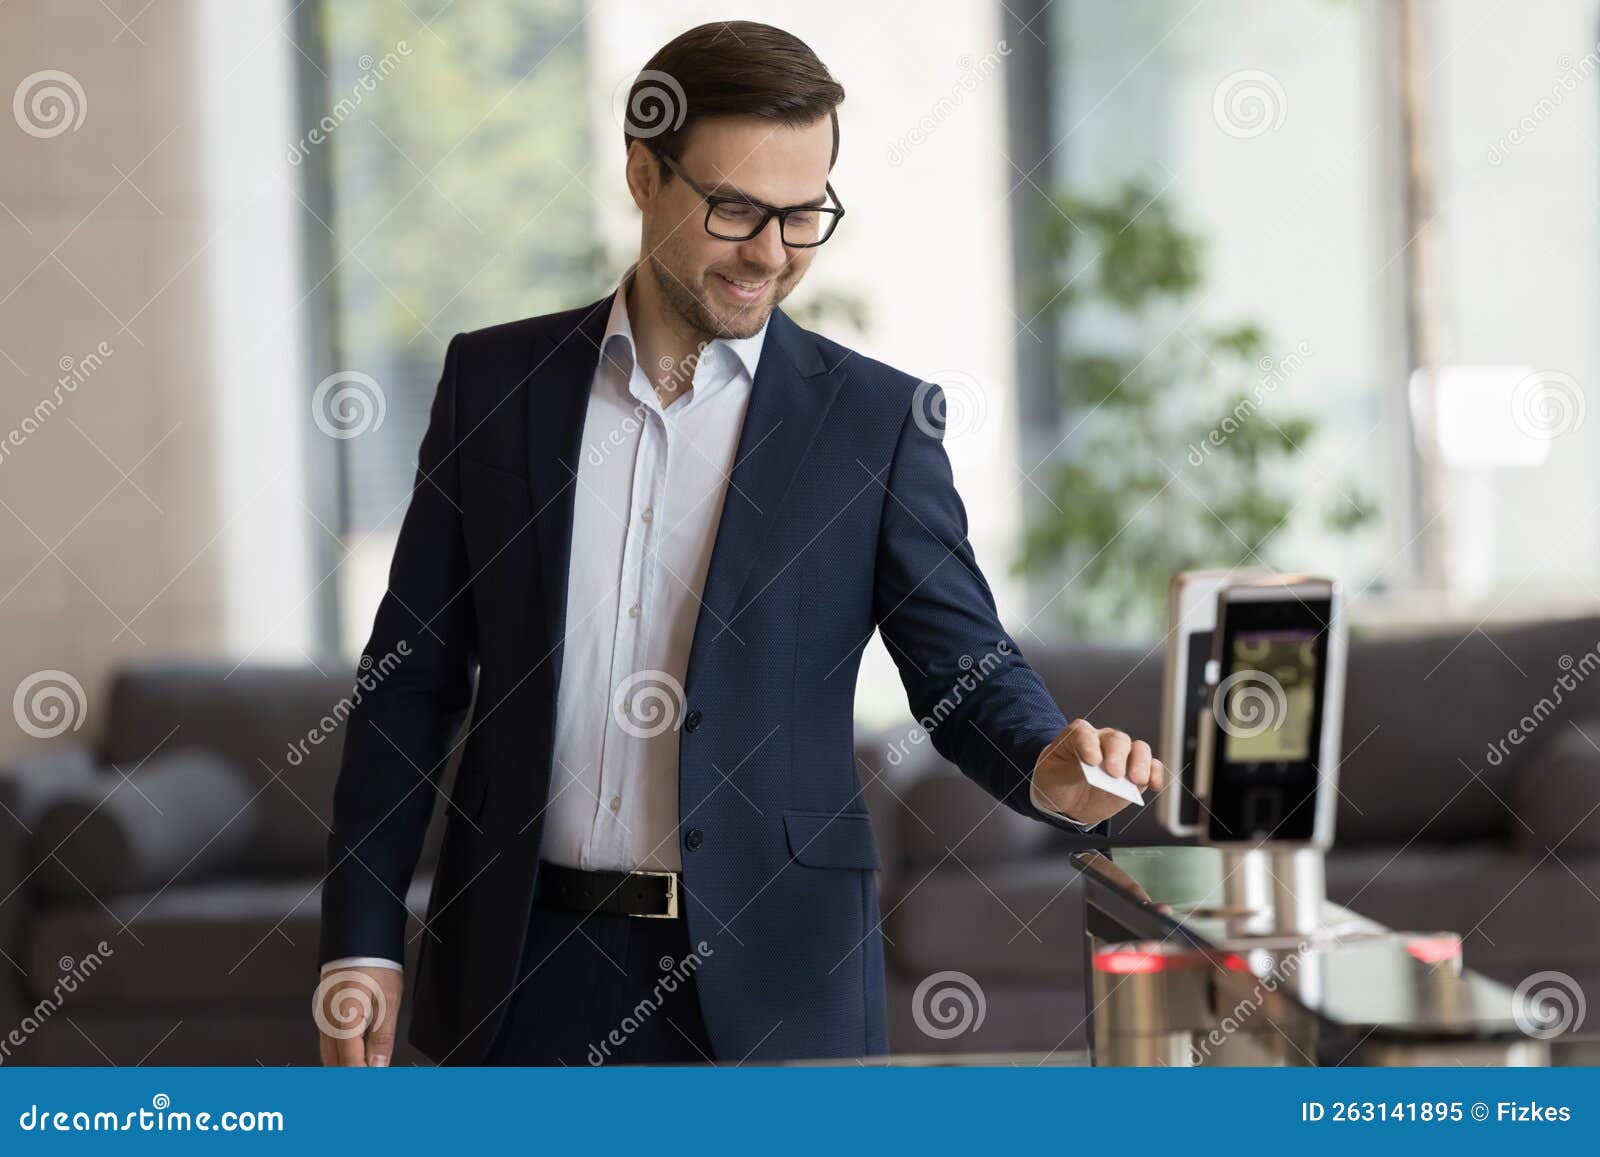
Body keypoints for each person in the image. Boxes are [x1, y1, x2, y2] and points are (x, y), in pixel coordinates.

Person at [315, 19, 1164, 1068]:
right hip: (513, 966)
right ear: (642, 173)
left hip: (773, 975)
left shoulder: (875, 424)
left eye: (805, 215)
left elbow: (961, 666)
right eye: (735, 210)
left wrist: (1048, 764)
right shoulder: (497, 387)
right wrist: (362, 940)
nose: (771, 252)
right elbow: (412, 677)